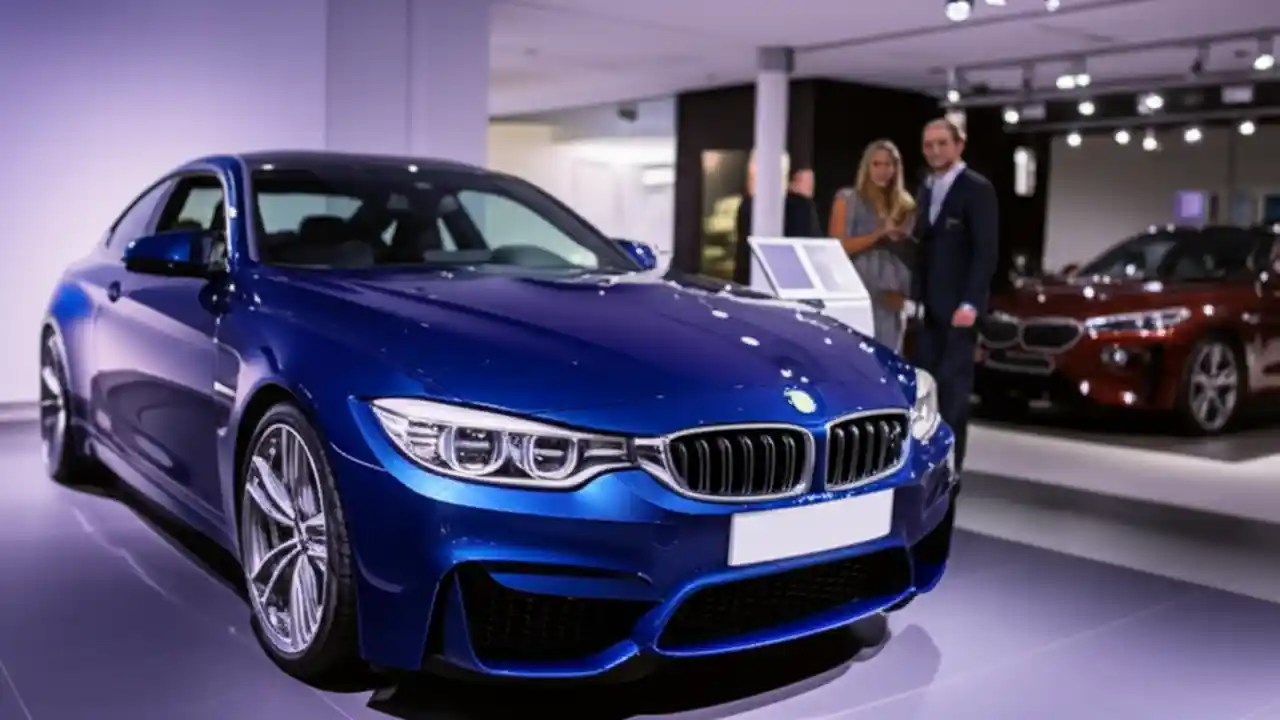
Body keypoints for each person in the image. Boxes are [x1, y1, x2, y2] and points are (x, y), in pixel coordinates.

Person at [905, 118, 998, 473]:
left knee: (953, 393)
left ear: (959, 145)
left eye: (941, 143)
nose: (934, 151)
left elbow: (985, 251)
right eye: (928, 145)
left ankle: (951, 469)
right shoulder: (927, 189)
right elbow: (923, 250)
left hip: (960, 310)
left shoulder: (977, 188)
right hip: (928, 311)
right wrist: (915, 300)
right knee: (926, 392)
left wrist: (972, 302)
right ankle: (928, 467)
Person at [828, 140, 918, 351]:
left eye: (888, 165)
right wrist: (877, 235)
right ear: (866, 167)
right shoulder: (846, 199)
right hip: (856, 291)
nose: (883, 171)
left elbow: (912, 253)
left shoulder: (905, 204)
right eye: (876, 164)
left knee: (888, 358)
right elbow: (837, 248)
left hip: (891, 296)